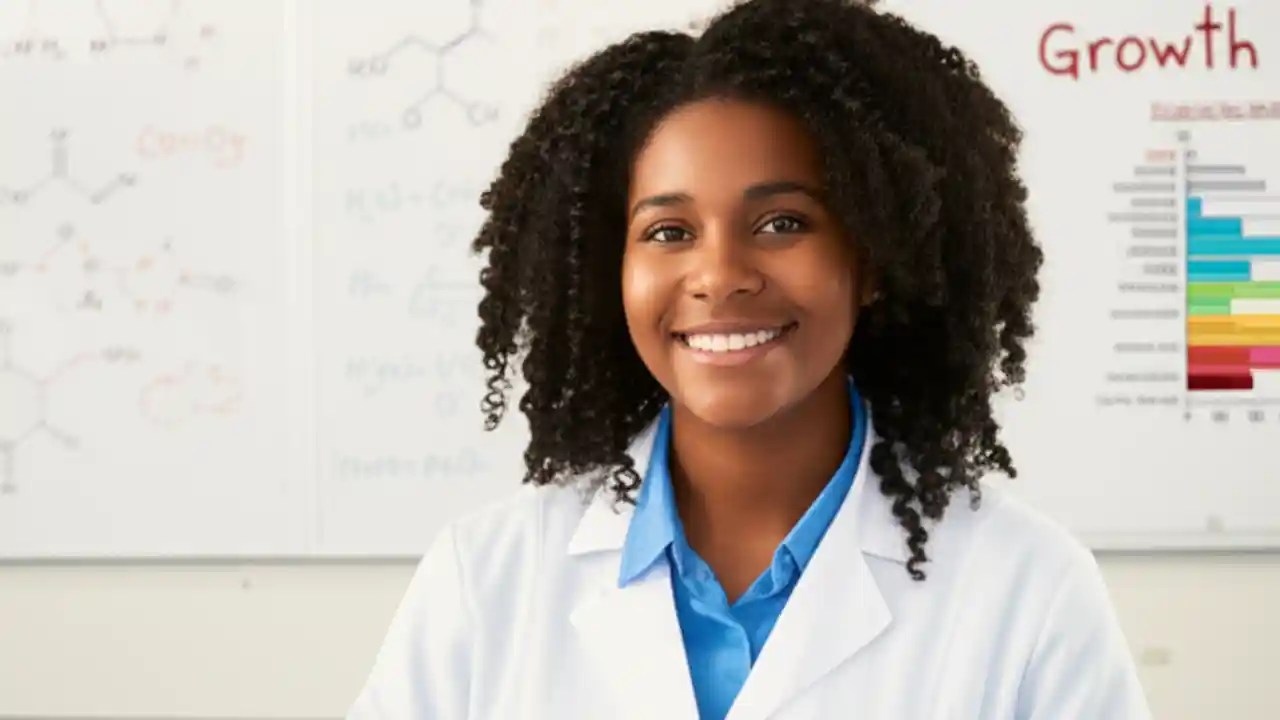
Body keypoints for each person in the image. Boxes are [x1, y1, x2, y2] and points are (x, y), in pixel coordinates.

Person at [347, 0, 1152, 717]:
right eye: (669, 232)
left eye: (781, 223)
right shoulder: (486, 583)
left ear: (872, 258)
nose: (721, 276)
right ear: (612, 271)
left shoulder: (1028, 589)